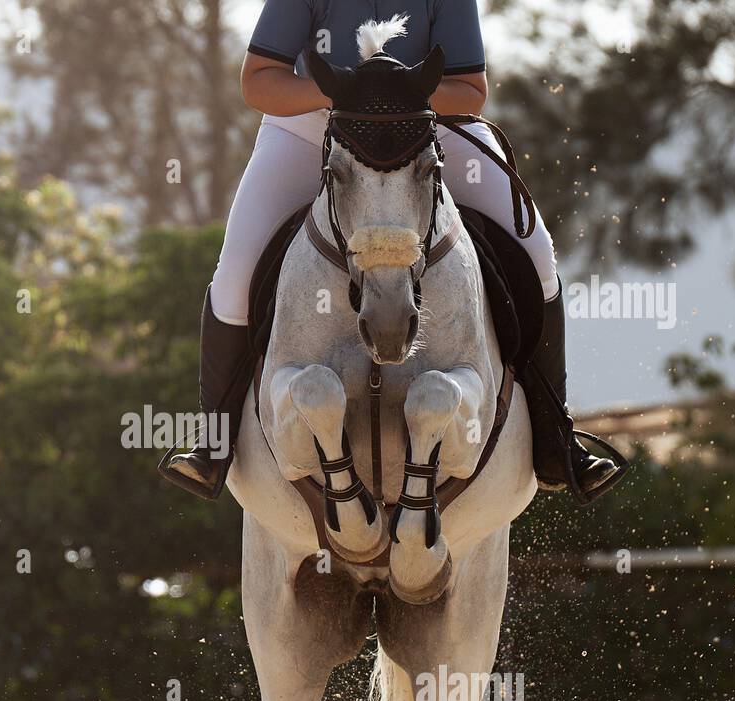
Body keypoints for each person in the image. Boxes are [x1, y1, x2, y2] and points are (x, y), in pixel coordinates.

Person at [160, 0, 622, 503]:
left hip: (424, 129)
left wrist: (390, 93)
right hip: (312, 127)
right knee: (235, 276)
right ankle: (214, 445)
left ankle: (557, 441)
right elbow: (259, 82)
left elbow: (470, 90)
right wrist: (349, 92)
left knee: (535, 252)